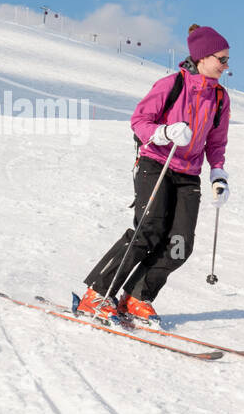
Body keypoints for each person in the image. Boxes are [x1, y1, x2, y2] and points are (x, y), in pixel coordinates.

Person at [75, 24, 232, 324]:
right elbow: (139, 121)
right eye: (221, 59)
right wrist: (164, 132)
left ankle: (136, 297)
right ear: (202, 57)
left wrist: (218, 175)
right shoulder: (171, 85)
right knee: (148, 231)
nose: (226, 66)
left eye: (227, 60)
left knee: (180, 244)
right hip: (156, 164)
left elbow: (216, 142)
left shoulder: (221, 99)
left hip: (188, 174)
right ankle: (97, 294)